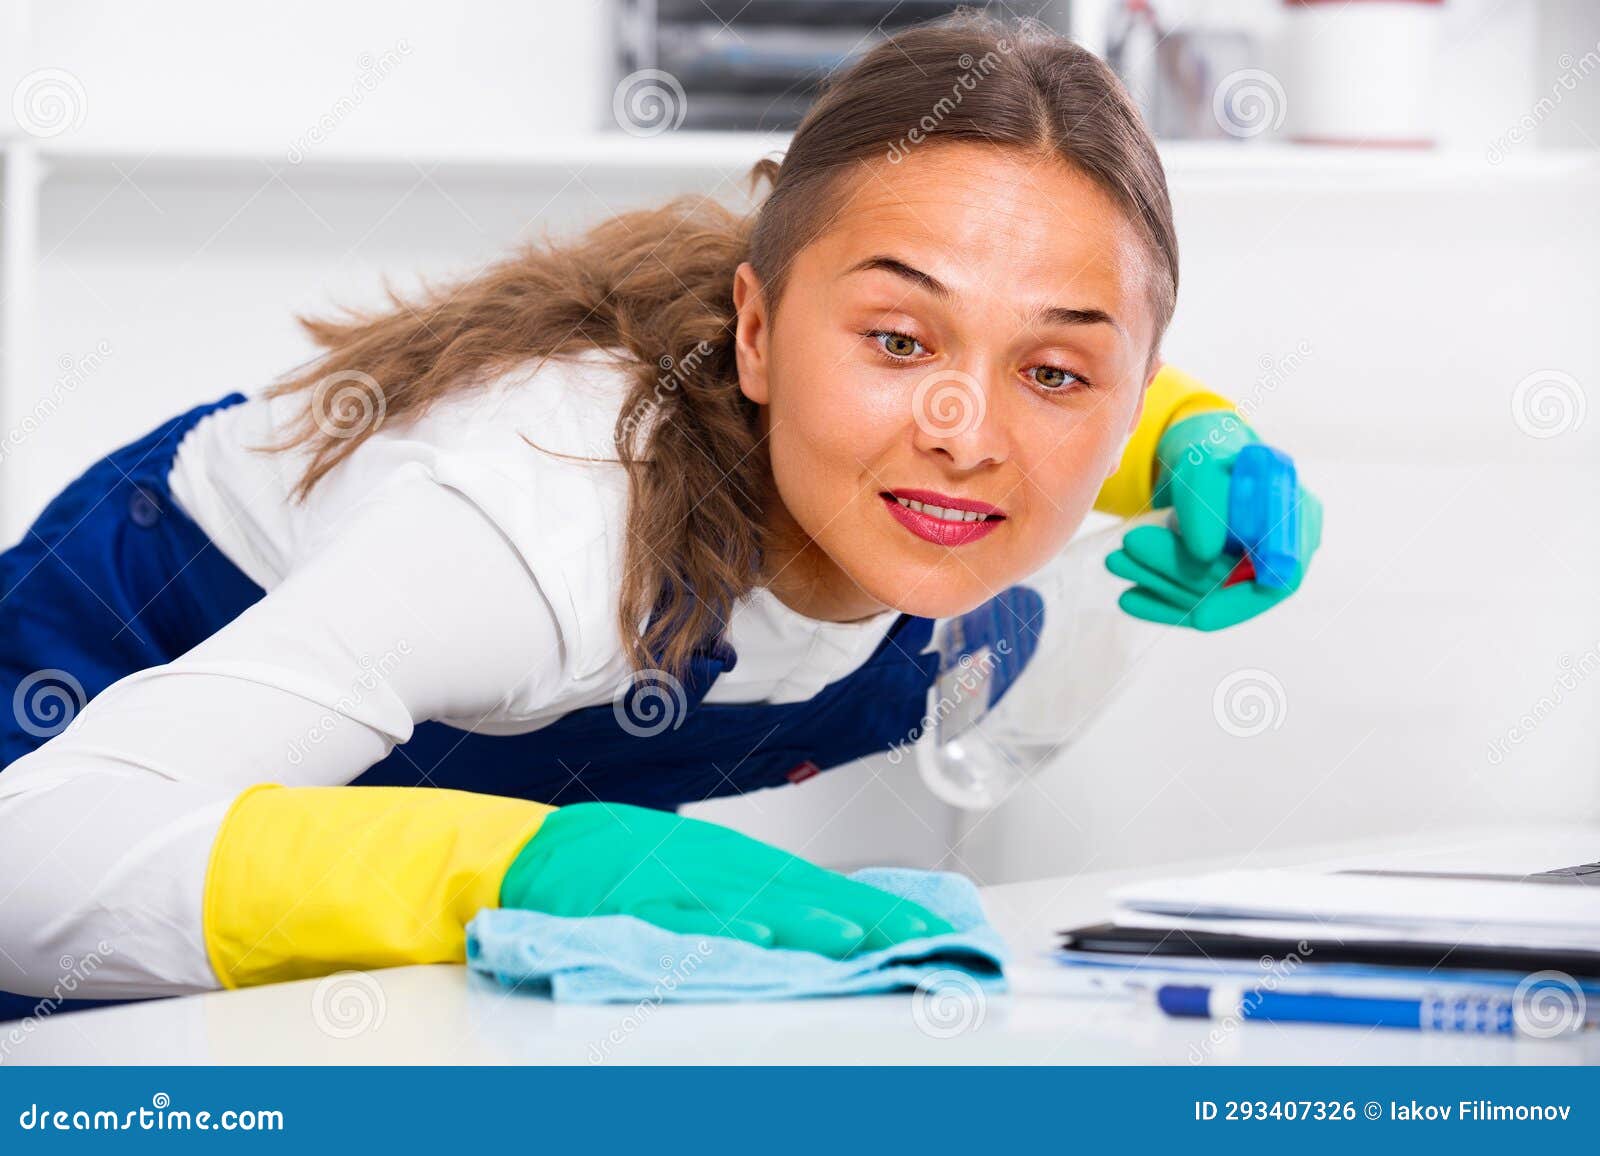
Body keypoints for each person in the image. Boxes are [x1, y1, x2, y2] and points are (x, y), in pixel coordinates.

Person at [0, 13, 1320, 1013]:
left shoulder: (951, 533)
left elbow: (1012, 345)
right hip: (111, 680)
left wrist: (1195, 439)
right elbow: (34, 858)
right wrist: (501, 873)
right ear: (757, 333)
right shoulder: (539, 523)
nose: (972, 440)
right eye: (898, 340)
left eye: (1057, 373)